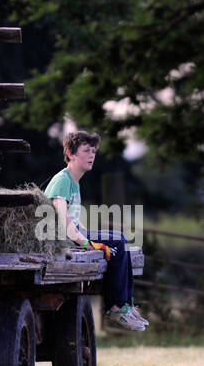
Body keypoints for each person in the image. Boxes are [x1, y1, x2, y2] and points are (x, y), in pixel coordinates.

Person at [44, 130, 147, 331]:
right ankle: (116, 308)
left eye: (93, 151)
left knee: (120, 240)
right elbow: (62, 222)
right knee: (118, 241)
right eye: (86, 150)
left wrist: (89, 235)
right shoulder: (63, 180)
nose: (92, 155)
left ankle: (126, 305)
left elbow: (75, 222)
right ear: (71, 154)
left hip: (70, 234)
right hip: (60, 239)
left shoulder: (74, 181)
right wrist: (87, 243)